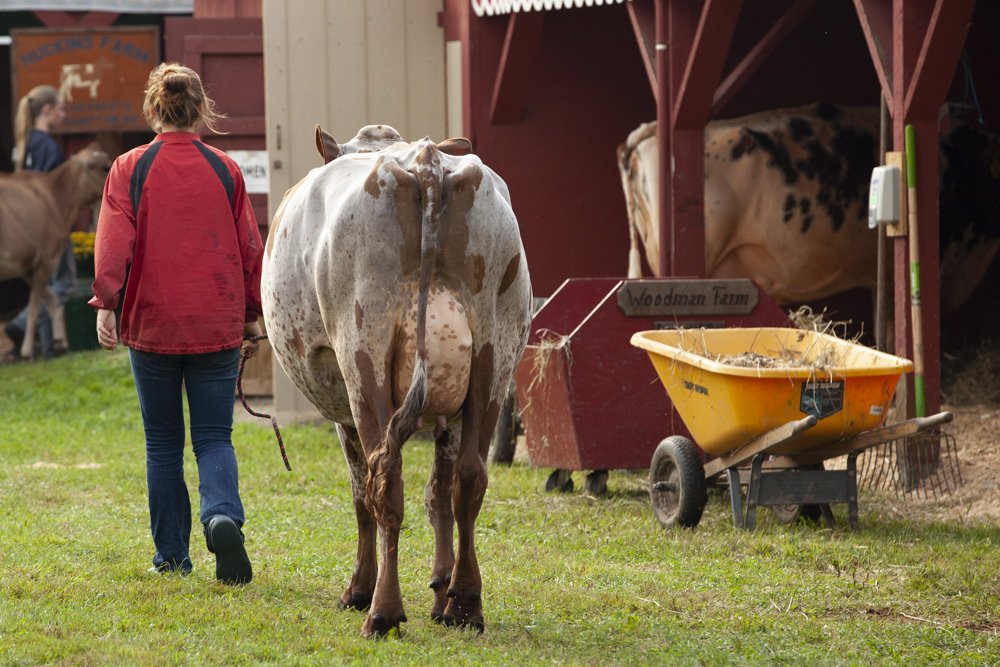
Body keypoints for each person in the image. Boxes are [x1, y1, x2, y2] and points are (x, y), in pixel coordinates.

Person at [89, 62, 264, 585]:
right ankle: (222, 518)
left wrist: (106, 302)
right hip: (216, 320)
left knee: (162, 443)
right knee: (214, 437)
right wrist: (252, 315)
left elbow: (111, 247)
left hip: (152, 324)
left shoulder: (129, 167)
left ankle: (171, 556)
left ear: (153, 109)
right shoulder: (225, 170)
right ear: (201, 109)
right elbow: (249, 248)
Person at [4, 84, 77, 359]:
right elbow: (49, 194)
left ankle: (48, 348)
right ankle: (22, 324)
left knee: (44, 286)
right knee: (64, 283)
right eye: (60, 109)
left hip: (27, 229)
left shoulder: (24, 144)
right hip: (49, 227)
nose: (63, 115)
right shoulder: (47, 147)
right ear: (47, 111)